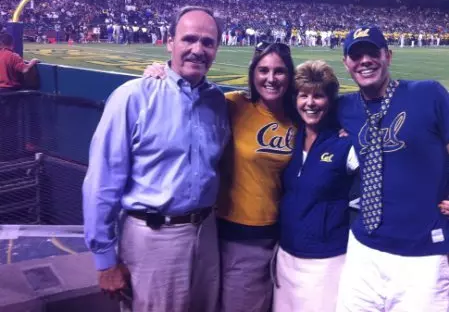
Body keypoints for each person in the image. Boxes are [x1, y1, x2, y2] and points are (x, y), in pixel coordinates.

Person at [83, 6, 230, 312]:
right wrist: (105, 259)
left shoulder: (218, 101)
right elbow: (102, 182)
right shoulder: (133, 96)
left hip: (206, 234)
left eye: (208, 42)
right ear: (169, 42)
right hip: (153, 238)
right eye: (188, 39)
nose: (197, 49)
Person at [143, 41, 298, 312]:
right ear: (252, 74)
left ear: (290, 75)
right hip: (222, 230)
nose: (270, 78)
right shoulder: (233, 104)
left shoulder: (298, 116)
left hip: (274, 236)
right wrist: (162, 74)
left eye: (279, 71)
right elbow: (189, 101)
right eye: (263, 70)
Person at [336, 26, 449, 312]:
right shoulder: (344, 108)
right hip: (363, 251)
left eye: (373, 52)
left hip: (423, 256)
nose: (365, 60)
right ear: (346, 63)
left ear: (388, 55)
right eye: (356, 55)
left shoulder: (428, 94)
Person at [274, 60, 358, 312]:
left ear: (330, 100)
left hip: (327, 261)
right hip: (286, 255)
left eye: (318, 96)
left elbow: (389, 174)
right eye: (303, 95)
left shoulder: (345, 142)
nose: (310, 103)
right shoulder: (289, 133)